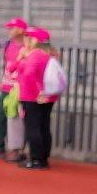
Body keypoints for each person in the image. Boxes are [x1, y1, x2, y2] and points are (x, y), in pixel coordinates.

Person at [17, 26, 60, 170]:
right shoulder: (51, 54)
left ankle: (35, 159)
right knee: (44, 127)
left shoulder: (35, 55)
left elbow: (29, 74)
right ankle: (43, 158)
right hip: (48, 97)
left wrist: (38, 91)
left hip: (32, 97)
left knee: (33, 127)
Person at [0, 17, 28, 159]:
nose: (10, 30)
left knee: (18, 118)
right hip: (6, 85)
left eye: (13, 28)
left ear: (21, 29)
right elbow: (7, 64)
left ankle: (19, 149)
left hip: (20, 87)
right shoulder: (8, 44)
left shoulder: (28, 47)